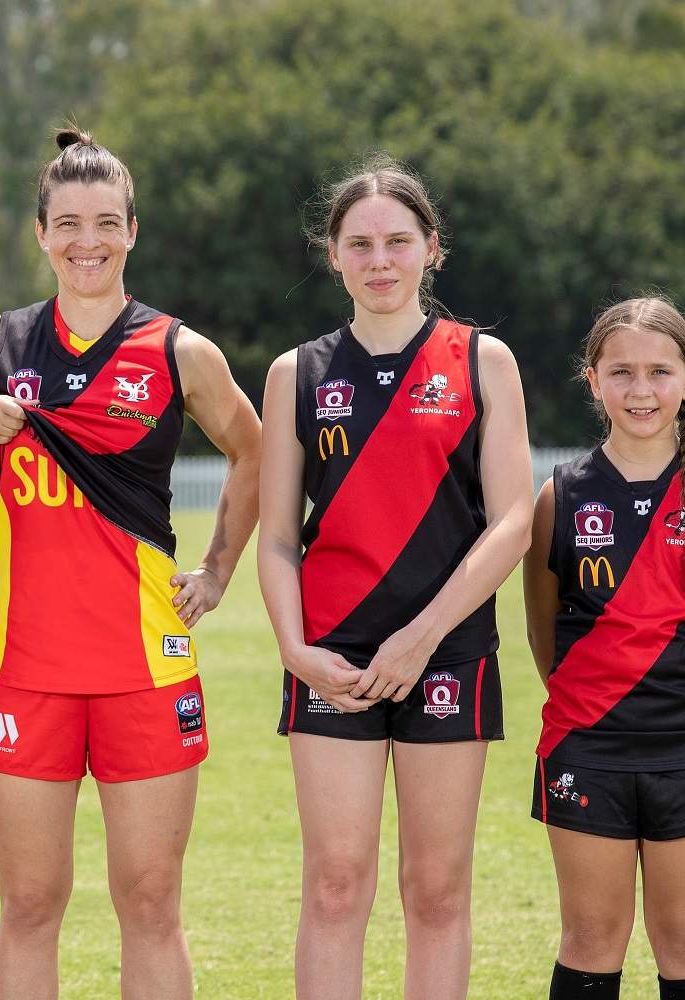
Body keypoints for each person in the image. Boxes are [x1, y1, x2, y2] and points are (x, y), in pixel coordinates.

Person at [0, 127, 261, 1000]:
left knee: (149, 903)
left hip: (144, 664)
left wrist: (219, 570)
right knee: (30, 903)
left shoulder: (179, 351)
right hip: (24, 667)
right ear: (40, 233)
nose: (87, 241)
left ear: (132, 232)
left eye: (106, 222)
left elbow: (253, 452)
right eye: (67, 222)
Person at [256, 157, 532, 1000]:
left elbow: (512, 521)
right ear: (332, 254)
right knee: (337, 885)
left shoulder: (483, 362)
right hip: (331, 659)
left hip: (448, 655)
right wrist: (296, 650)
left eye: (398, 242)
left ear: (432, 251)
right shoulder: (295, 373)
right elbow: (275, 540)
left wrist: (423, 637)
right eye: (361, 243)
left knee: (436, 891)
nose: (381, 260)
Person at [523, 297, 685, 1000]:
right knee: (590, 940)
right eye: (621, 371)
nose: (640, 389)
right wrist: (595, 704)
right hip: (584, 748)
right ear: (593, 380)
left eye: (659, 372)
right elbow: (546, 635)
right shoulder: (560, 497)